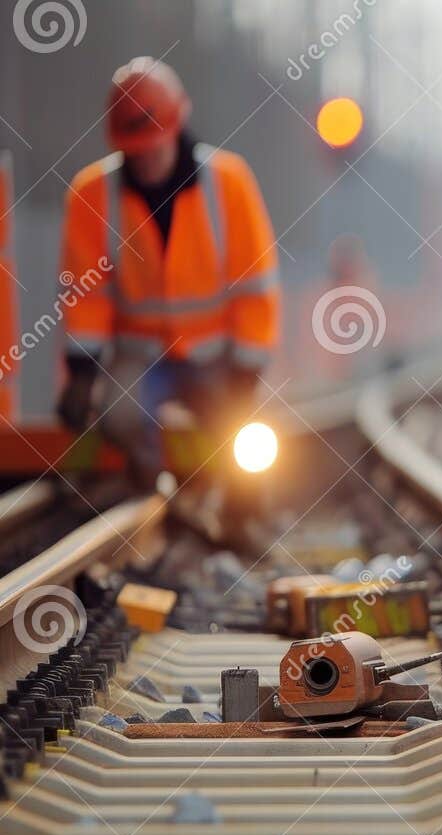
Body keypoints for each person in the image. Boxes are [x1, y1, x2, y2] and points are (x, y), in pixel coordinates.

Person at [56, 57, 279, 536]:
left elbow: (256, 287)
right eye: (135, 148)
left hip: (217, 356)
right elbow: (86, 294)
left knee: (243, 434)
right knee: (118, 416)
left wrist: (247, 373)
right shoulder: (92, 195)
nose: (147, 158)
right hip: (142, 357)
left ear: (178, 124)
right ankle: (157, 499)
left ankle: (240, 512)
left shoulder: (230, 182)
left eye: (153, 143)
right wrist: (81, 374)